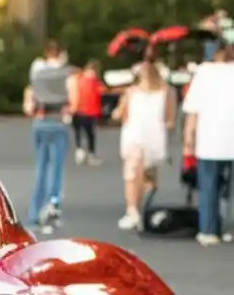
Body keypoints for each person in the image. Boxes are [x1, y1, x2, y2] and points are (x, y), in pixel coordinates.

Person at [112, 58, 176, 231]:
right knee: (148, 175)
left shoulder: (131, 92)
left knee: (132, 174)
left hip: (134, 134)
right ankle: (144, 207)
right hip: (155, 137)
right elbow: (170, 119)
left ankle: (133, 210)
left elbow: (120, 113)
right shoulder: (166, 92)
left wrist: (117, 113)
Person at [22, 40, 77, 233]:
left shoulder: (37, 73)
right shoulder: (67, 75)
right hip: (58, 121)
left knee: (41, 167)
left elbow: (28, 105)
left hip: (40, 121)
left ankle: (34, 212)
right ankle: (52, 209)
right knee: (57, 168)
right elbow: (74, 102)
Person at [181, 44, 234, 245]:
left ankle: (209, 230)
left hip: (211, 139)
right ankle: (229, 227)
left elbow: (193, 110)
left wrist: (188, 140)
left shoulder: (204, 73)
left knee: (209, 186)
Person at [71, 59, 103, 165]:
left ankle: (79, 151)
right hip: (90, 112)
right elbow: (100, 93)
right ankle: (91, 154)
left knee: (78, 132)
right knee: (90, 134)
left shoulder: (78, 79)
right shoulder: (95, 82)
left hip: (78, 110)